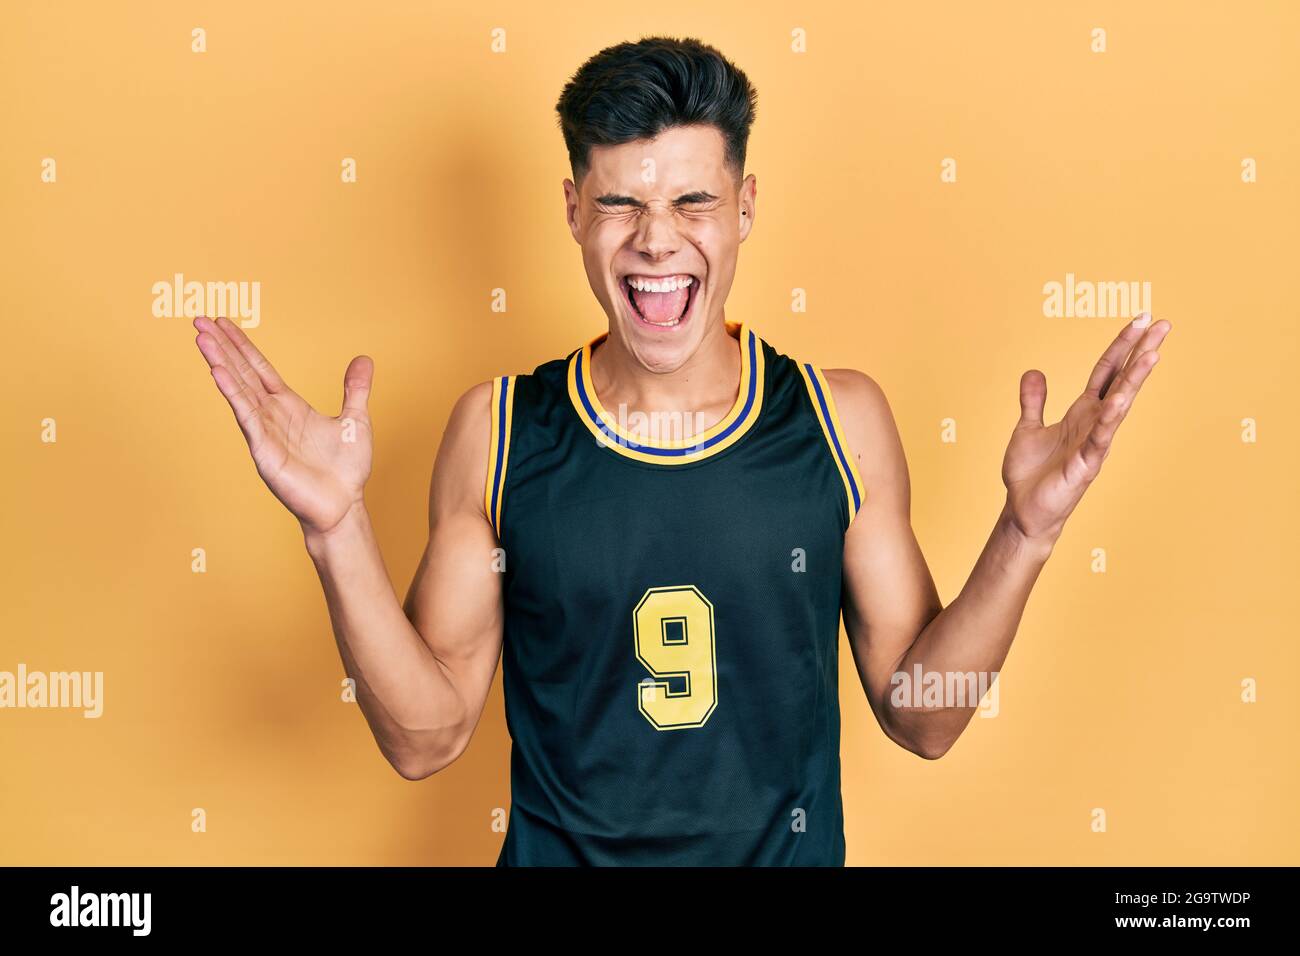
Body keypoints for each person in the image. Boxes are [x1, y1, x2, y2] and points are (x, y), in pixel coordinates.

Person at [192, 36, 1170, 865]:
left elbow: (924, 715)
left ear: (745, 207)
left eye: (692, 202)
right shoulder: (496, 430)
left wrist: (1025, 532)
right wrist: (335, 529)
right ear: (572, 208)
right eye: (620, 204)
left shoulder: (838, 421)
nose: (657, 242)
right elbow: (425, 737)